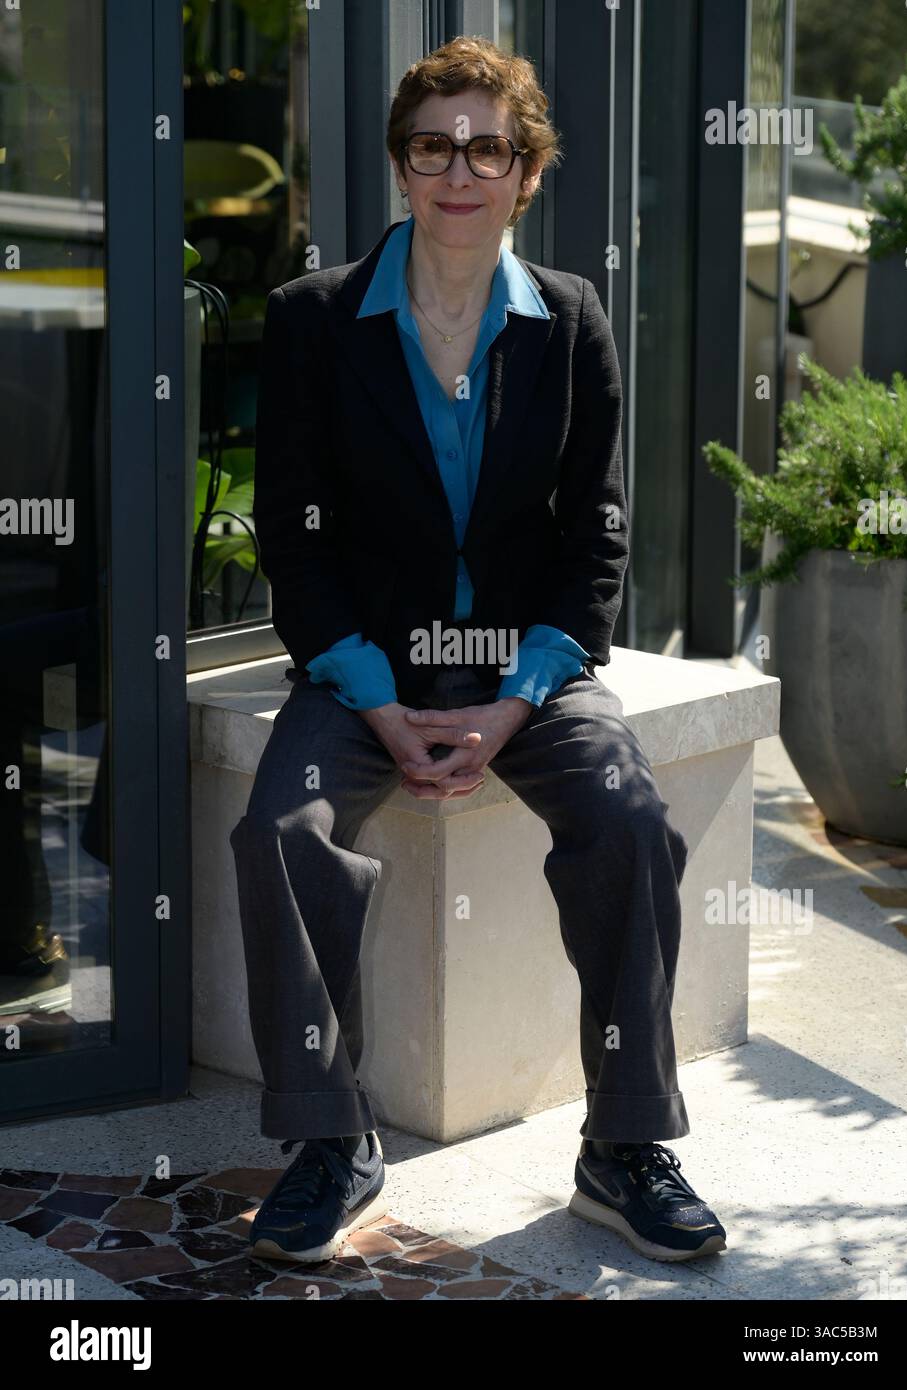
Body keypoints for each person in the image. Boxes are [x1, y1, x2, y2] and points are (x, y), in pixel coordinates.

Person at [231, 34, 726, 1268]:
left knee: (625, 817)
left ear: (527, 171)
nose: (460, 171)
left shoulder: (569, 321)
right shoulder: (311, 320)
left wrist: (514, 702)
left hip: (527, 665)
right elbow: (294, 537)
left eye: (487, 148)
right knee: (278, 829)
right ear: (402, 167)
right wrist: (376, 696)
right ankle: (330, 1138)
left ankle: (623, 1143)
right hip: (364, 662)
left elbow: (593, 538)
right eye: (432, 147)